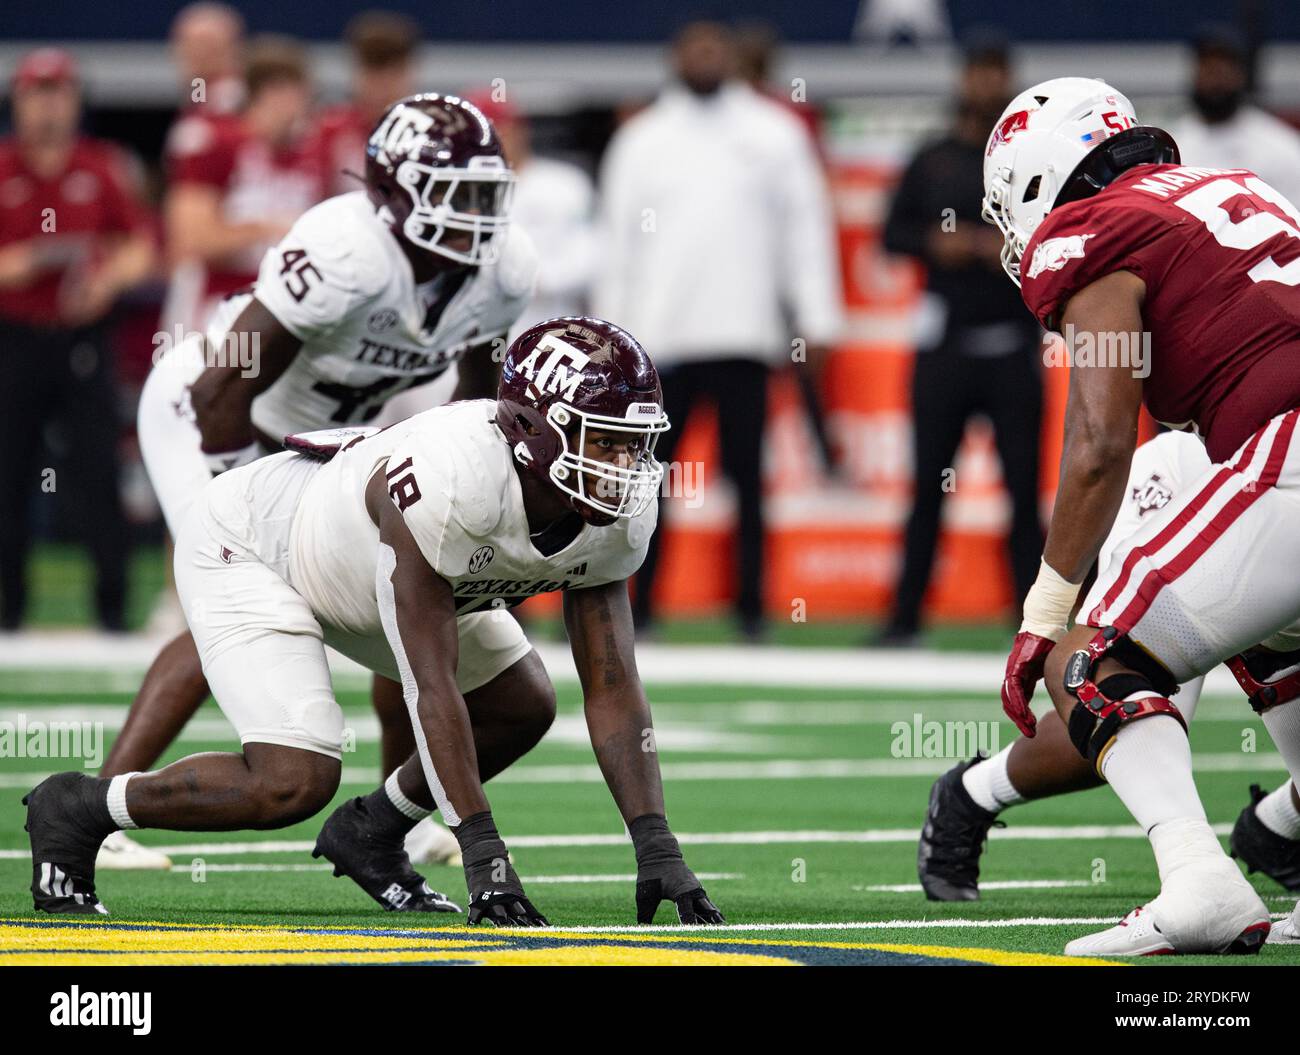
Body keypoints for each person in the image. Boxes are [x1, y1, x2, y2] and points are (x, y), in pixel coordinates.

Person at [25, 316, 726, 930]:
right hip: (260, 547)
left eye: (634, 443)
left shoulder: (621, 511)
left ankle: (373, 831)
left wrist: (656, 842)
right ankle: (82, 805)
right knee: (294, 777)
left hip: (367, 571)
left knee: (523, 703)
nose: (625, 467)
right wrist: (482, 846)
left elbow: (612, 684)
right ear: (530, 432)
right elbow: (428, 683)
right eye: (603, 441)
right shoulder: (454, 478)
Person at [99, 94, 535, 871]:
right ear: (393, 190)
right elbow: (225, 386)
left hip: (323, 436)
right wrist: (262, 507)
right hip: (214, 409)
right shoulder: (346, 245)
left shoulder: (501, 275)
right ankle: (102, 809)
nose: (472, 213)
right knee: (238, 598)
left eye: (482, 193)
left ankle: (393, 812)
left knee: (407, 590)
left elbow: (475, 405)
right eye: (451, 191)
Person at [983, 76, 1300, 955]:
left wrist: (1043, 615)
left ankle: (1198, 879)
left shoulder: (1089, 230)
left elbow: (1097, 441)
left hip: (1291, 449)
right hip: (1278, 450)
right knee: (1280, 644)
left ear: (1041, 179)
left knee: (1087, 660)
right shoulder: (1237, 187)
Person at [919, 430, 1300, 907]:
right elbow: (1098, 442)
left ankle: (1275, 824)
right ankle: (972, 793)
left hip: (1274, 509)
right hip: (1197, 485)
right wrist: (1046, 613)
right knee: (1126, 712)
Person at [596, 21, 841, 640]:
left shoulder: (772, 132)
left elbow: (804, 232)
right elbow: (618, 245)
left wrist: (816, 317)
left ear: (731, 58)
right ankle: (637, 610)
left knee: (748, 485)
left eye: (714, 48)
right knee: (647, 487)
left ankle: (753, 612)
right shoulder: (642, 139)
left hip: (744, 335)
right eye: (693, 49)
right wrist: (608, 343)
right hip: (659, 344)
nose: (704, 58)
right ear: (675, 58)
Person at [875, 39, 1042, 647]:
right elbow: (890, 234)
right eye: (977, 72)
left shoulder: (1030, 160)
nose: (984, 84)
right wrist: (934, 243)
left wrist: (1005, 254)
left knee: (1023, 493)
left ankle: (1034, 624)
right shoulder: (936, 158)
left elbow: (1060, 236)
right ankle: (904, 621)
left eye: (996, 72)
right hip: (945, 343)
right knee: (927, 487)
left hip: (1011, 346)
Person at [0, 49, 155, 632]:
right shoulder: (3, 168)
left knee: (97, 470)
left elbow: (141, 245)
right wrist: (21, 264)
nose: (47, 105)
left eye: (58, 92)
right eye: (36, 93)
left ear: (74, 100)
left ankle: (112, 612)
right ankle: (8, 610)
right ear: (18, 100)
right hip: (12, 338)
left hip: (82, 339)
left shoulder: (101, 166)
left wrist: (106, 279)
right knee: (9, 472)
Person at [160, 35, 321, 336]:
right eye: (290, 94)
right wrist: (267, 231)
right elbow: (189, 239)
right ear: (266, 93)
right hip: (216, 301)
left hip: (283, 303)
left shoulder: (311, 152)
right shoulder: (215, 142)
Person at [1170, 25, 1300, 210]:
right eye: (1207, 66)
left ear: (1242, 75)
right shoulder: (1174, 144)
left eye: (1224, 67)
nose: (1215, 78)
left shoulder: (1281, 148)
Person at [312, 11, 420, 200]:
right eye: (372, 76)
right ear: (356, 74)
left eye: (391, 76)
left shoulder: (428, 133)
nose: (381, 88)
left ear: (409, 74)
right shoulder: (330, 130)